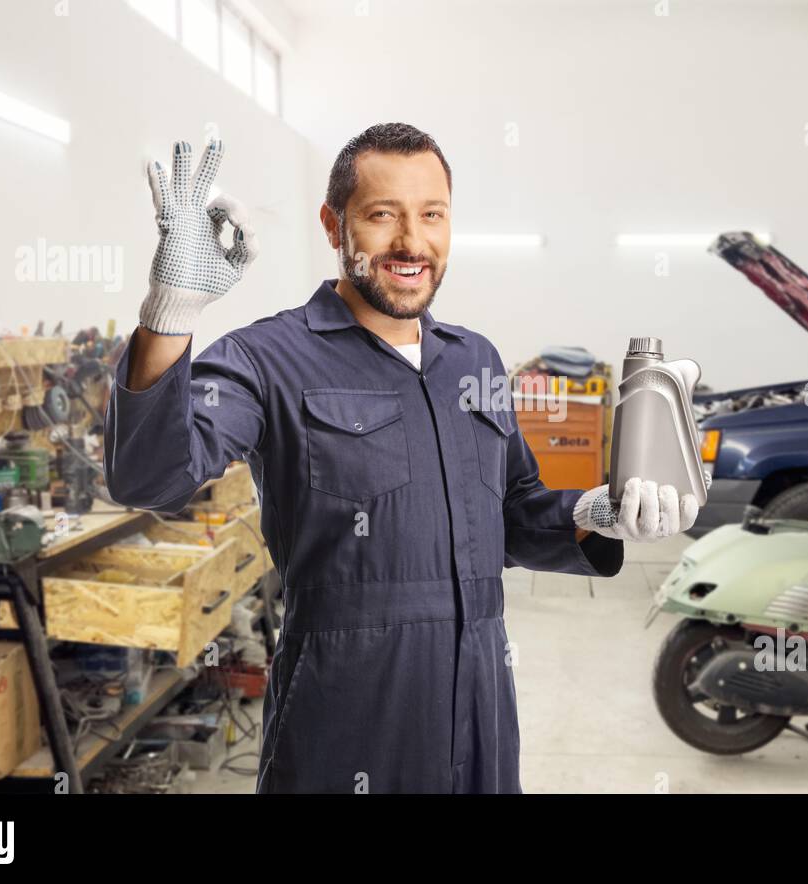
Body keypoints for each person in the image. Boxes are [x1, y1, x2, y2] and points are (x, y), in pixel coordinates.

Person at [104, 123, 702, 793]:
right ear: (334, 226)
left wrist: (602, 511)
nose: (411, 242)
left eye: (431, 216)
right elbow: (149, 477)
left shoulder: (474, 360)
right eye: (383, 215)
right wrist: (171, 313)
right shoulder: (267, 358)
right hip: (345, 722)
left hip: (480, 721)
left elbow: (516, 512)